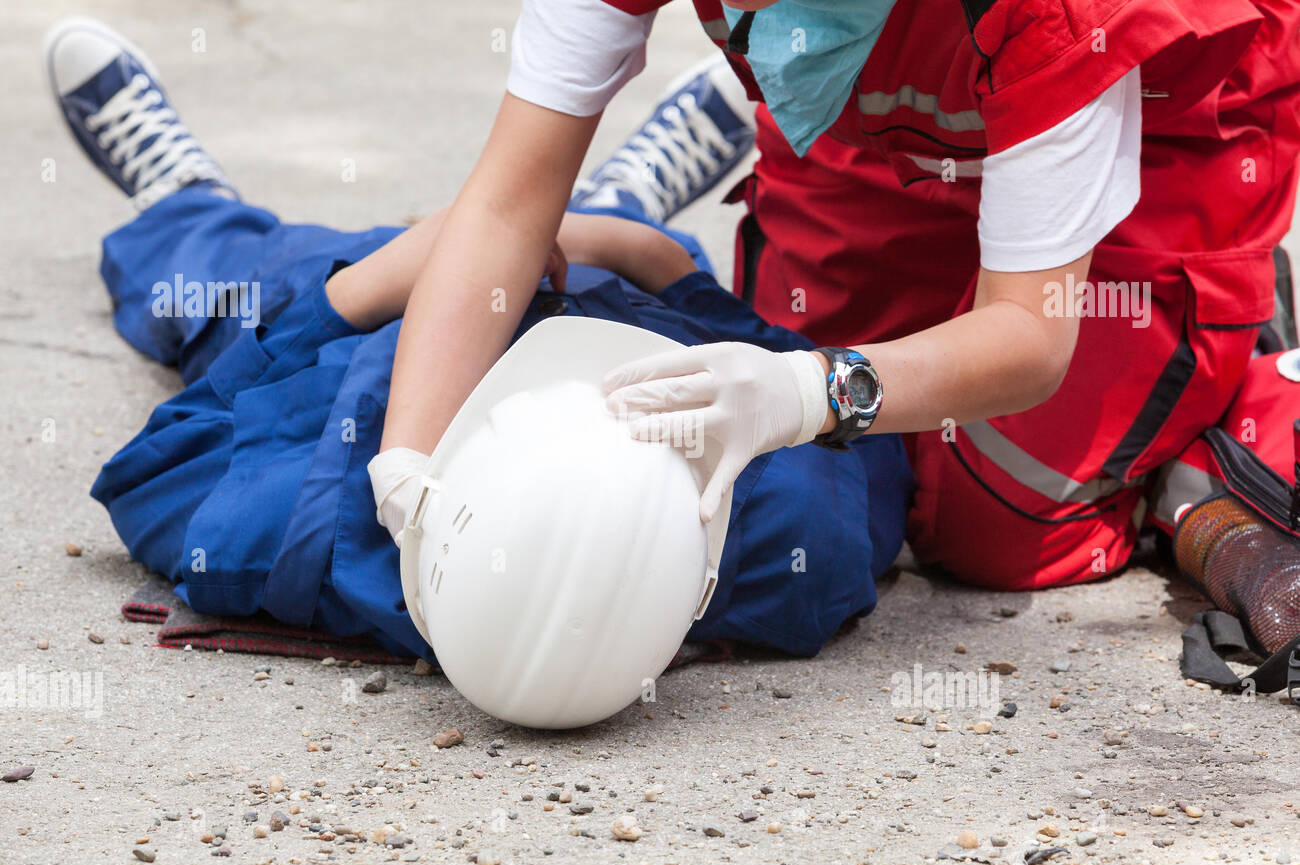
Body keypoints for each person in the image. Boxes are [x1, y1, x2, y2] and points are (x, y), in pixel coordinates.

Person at [368, 0, 1300, 601]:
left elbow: (1027, 334)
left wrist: (818, 390)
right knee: (838, 476)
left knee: (991, 535)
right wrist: (409, 461)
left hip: (1157, 121)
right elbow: (500, 205)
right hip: (887, 117)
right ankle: (648, 184)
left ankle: (1241, 361)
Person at [46, 17, 912, 662]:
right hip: (619, 296)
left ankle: (180, 193)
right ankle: (619, 198)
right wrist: (638, 254)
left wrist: (367, 288)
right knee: (605, 245)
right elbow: (800, 393)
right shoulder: (794, 540)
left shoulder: (319, 526)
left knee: (241, 281)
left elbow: (157, 463)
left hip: (380, 335)